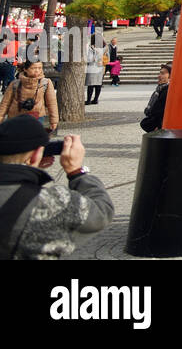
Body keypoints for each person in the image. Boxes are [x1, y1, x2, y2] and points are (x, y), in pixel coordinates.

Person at [0, 115, 113, 259]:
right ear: (35, 156)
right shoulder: (49, 203)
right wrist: (76, 172)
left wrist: (28, 170)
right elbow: (101, 212)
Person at [2, 60, 59, 133]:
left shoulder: (45, 83)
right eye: (34, 68)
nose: (37, 71)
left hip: (37, 117)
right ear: (25, 69)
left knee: (33, 140)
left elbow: (52, 104)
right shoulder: (15, 83)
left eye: (39, 68)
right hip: (15, 117)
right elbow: (5, 103)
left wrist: (54, 121)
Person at [140, 64, 170, 132]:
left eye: (162, 73)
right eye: (160, 73)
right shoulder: (160, 90)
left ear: (170, 76)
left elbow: (157, 111)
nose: (159, 76)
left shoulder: (167, 91)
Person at [84, 35, 105, 106]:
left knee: (91, 84)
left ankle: (89, 100)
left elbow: (89, 59)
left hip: (92, 67)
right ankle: (96, 99)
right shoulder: (102, 48)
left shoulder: (91, 48)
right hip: (100, 67)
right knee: (98, 84)